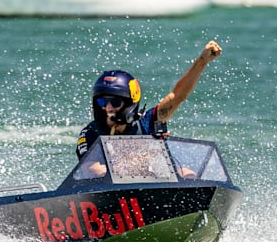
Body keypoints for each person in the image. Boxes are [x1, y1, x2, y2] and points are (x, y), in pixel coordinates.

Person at [76, 40, 223, 177]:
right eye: (102, 101)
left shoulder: (147, 122)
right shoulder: (90, 133)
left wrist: (202, 62)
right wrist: (141, 159)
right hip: (108, 195)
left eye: (114, 101)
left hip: (150, 188)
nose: (108, 107)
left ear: (129, 103)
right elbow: (93, 171)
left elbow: (177, 96)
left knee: (187, 173)